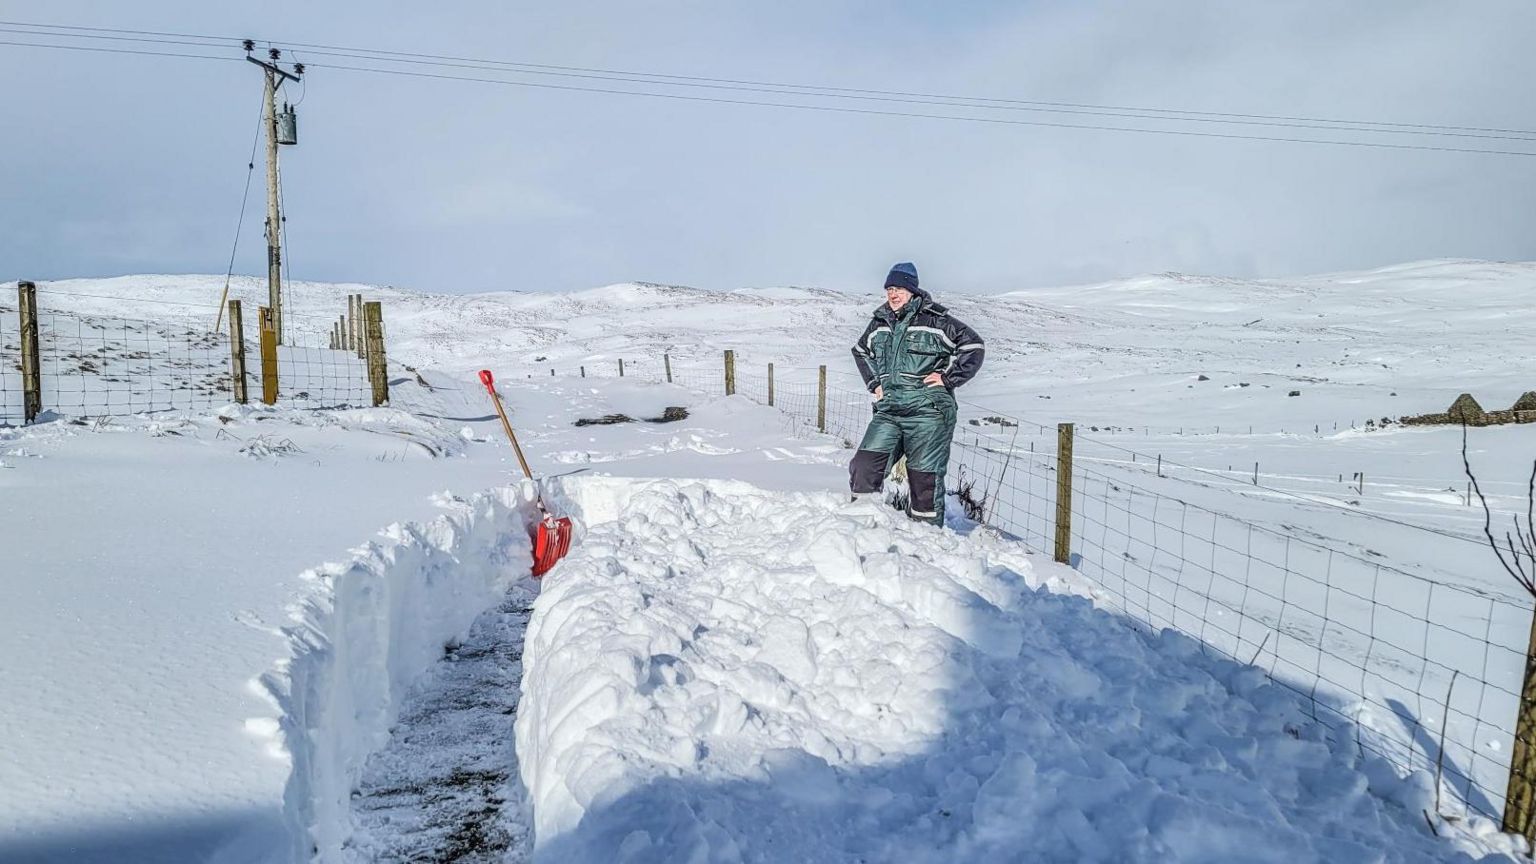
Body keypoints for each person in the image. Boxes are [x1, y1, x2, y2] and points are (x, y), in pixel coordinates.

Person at [849, 262, 985, 526]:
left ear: (912, 290)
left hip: (928, 413)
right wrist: (874, 383)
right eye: (889, 288)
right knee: (864, 465)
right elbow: (860, 350)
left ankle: (926, 539)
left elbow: (974, 346)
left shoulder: (936, 321)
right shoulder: (880, 322)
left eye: (898, 288)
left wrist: (947, 379)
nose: (892, 294)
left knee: (924, 479)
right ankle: (861, 524)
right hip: (888, 411)